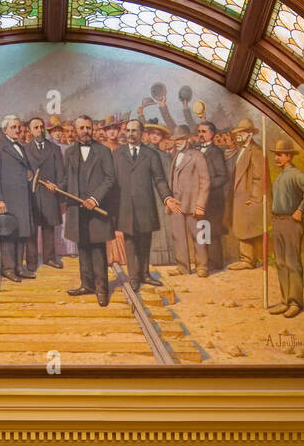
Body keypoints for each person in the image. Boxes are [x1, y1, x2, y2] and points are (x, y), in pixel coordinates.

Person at [113, 118, 180, 291]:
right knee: (130, 243)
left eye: (134, 131)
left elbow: (159, 180)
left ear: (142, 134)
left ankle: (145, 274)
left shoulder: (151, 155)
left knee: (144, 241)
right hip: (124, 207)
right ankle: (134, 277)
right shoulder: (117, 154)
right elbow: (110, 181)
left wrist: (167, 197)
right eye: (127, 131)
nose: (130, 134)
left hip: (146, 205)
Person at [59, 112, 115, 307]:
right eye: (81, 128)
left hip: (96, 208)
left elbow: (110, 179)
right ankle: (87, 285)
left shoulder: (104, 151)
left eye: (88, 128)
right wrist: (56, 189)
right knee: (82, 247)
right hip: (77, 209)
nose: (85, 131)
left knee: (98, 250)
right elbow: (66, 181)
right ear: (75, 131)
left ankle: (102, 290)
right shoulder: (69, 153)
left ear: (92, 129)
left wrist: (94, 198)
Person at [268, 137, 304, 317]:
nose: (276, 158)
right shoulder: (280, 176)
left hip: (291, 223)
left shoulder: (296, 175)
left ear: (289, 156)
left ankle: (295, 303)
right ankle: (285, 301)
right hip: (278, 222)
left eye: (280, 155)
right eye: (275, 155)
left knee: (292, 263)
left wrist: (300, 209)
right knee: (281, 263)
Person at [0, 113, 35, 283]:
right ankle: (8, 269)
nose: (17, 130)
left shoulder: (20, 147)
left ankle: (19, 268)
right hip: (8, 198)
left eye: (18, 127)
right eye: (13, 127)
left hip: (22, 198)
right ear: (5, 129)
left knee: (21, 232)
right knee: (8, 234)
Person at [167, 124, 210, 275]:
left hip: (193, 203)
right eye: (175, 139)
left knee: (199, 235)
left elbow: (205, 181)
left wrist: (200, 205)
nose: (177, 142)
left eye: (180, 139)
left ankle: (202, 266)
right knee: (178, 236)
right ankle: (183, 267)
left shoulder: (197, 156)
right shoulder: (175, 156)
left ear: (188, 139)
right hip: (176, 203)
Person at [25, 115, 64, 270]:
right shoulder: (25, 149)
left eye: (41, 127)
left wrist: (57, 186)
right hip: (32, 195)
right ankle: (32, 261)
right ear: (30, 131)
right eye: (36, 127)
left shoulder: (54, 149)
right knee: (31, 228)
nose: (40, 130)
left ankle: (49, 258)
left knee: (49, 228)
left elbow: (61, 173)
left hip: (50, 194)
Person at [228, 117, 267, 270]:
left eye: (242, 132)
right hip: (239, 197)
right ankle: (246, 259)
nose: (238, 135)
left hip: (248, 198)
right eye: (237, 133)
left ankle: (250, 260)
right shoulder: (240, 151)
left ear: (250, 134)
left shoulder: (256, 151)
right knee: (241, 227)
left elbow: (259, 176)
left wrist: (255, 198)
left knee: (250, 228)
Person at [195, 120, 228, 275]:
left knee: (213, 231)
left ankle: (215, 263)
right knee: (201, 230)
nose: (200, 134)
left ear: (212, 134)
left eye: (204, 131)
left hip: (214, 199)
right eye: (199, 131)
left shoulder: (216, 152)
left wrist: (206, 185)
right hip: (200, 199)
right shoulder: (196, 151)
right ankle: (204, 261)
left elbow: (223, 177)